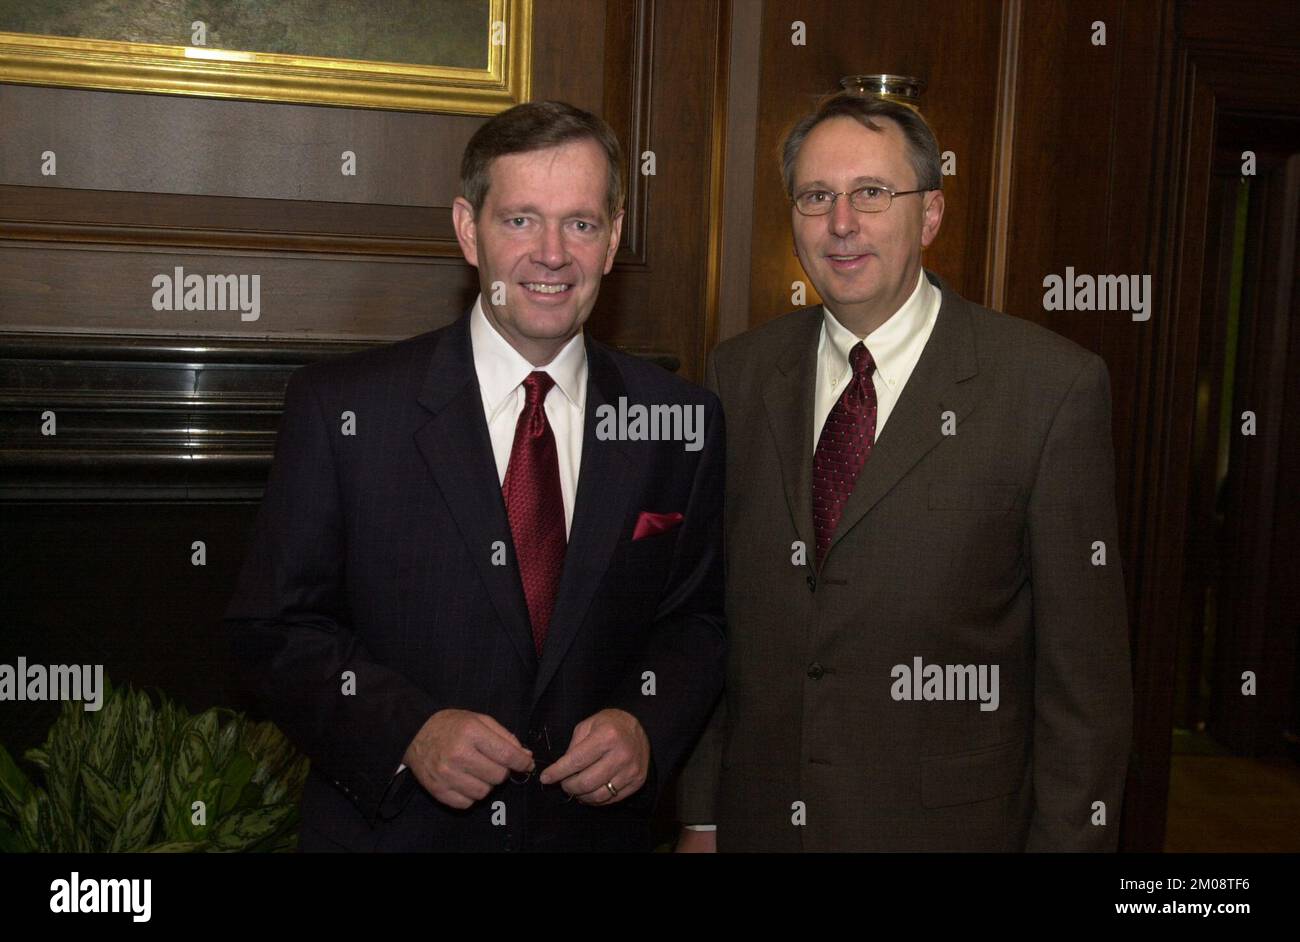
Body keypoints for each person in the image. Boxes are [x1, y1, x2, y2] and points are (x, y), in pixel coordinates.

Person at [225, 100, 725, 852]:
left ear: (614, 238)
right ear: (469, 229)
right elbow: (273, 631)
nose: (552, 254)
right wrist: (410, 733)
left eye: (581, 224)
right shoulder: (345, 409)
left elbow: (696, 623)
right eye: (521, 219)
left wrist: (644, 724)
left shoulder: (680, 422)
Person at [675, 92, 1132, 852]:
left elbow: (1084, 691)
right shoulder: (739, 374)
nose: (842, 223)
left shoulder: (1048, 390)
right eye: (817, 196)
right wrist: (700, 815)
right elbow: (712, 620)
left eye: (873, 194)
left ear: (930, 216)